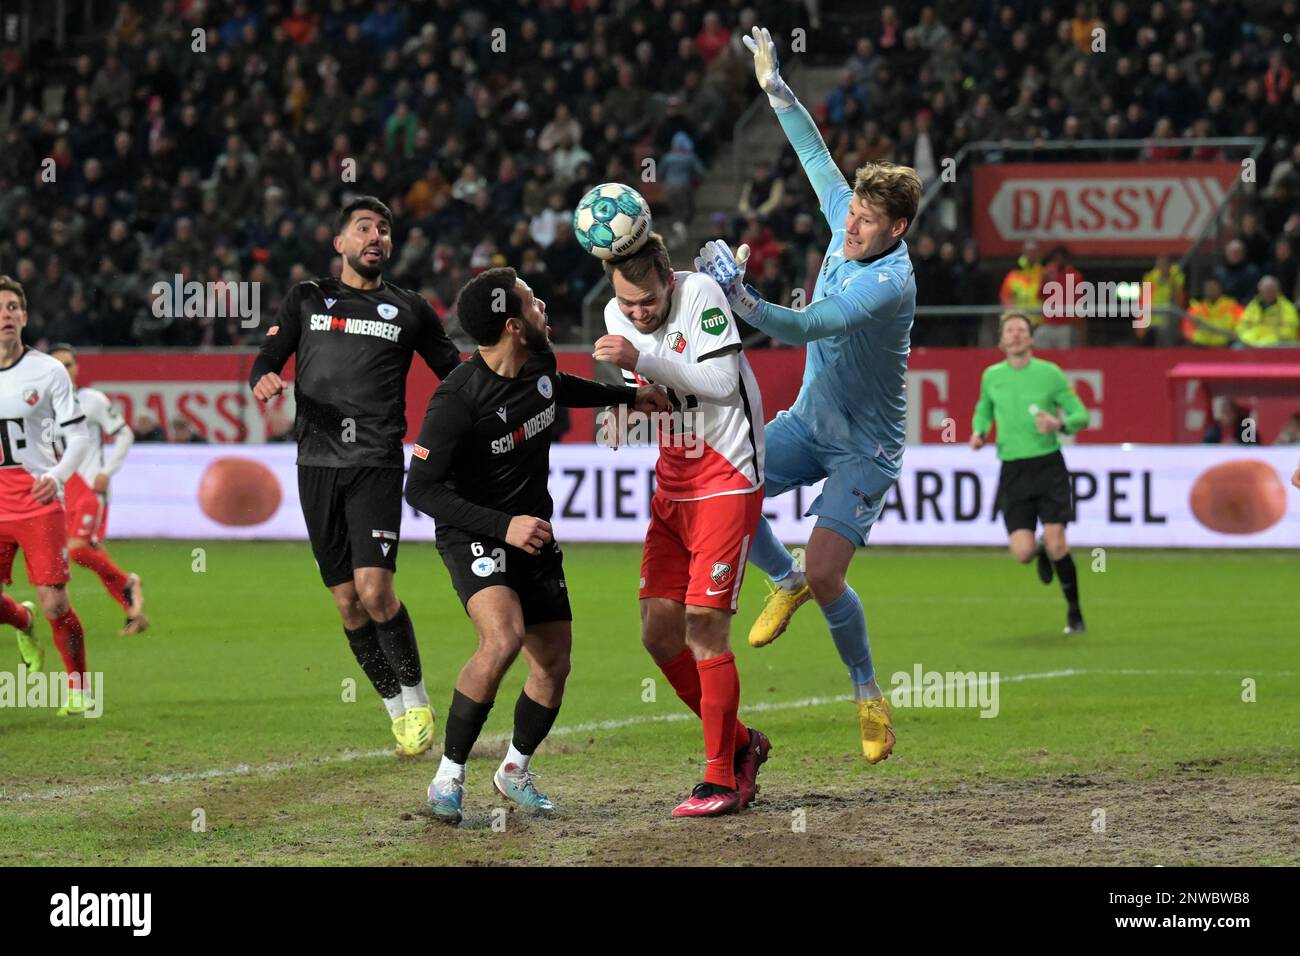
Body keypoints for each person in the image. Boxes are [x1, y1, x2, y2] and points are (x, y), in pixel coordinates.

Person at [696, 27, 921, 765]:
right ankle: (780, 577)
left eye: (865, 221)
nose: (849, 225)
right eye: (850, 212)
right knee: (732, 490)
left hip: (867, 446)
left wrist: (743, 300)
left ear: (899, 229)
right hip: (810, 423)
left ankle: (866, 689)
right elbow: (815, 156)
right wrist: (776, 87)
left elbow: (815, 322)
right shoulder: (846, 217)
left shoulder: (889, 284)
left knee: (832, 576)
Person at [406, 267, 667, 824]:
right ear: (512, 326)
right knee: (503, 639)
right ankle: (447, 778)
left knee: (553, 664)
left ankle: (514, 770)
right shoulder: (456, 399)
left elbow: (558, 390)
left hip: (534, 532)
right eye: (531, 300)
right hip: (476, 532)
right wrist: (503, 528)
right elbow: (420, 488)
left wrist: (627, 397)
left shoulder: (539, 362)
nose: (542, 304)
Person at [249, 196, 460, 757]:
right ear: (339, 243)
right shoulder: (307, 298)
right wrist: (265, 377)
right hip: (315, 464)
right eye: (364, 227)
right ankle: (395, 711)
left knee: (375, 590)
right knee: (346, 602)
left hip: (375, 463)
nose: (376, 236)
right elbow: (267, 357)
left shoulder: (410, 309)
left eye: (384, 230)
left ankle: (417, 701)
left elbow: (455, 375)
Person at [593, 233, 771, 817]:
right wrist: (631, 405)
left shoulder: (701, 295)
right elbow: (652, 396)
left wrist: (638, 359)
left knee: (704, 624)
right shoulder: (614, 311)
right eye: (629, 303)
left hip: (728, 472)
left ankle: (723, 778)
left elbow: (720, 384)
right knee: (657, 632)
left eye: (647, 301)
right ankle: (743, 744)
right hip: (674, 479)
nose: (637, 312)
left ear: (667, 276)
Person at [0, 276, 95, 714]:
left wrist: (57, 475)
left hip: (37, 497)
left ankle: (79, 687)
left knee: (56, 601)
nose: (6, 314)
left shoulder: (48, 371)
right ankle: (23, 620)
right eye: (0, 307)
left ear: (24, 316)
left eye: (13, 307)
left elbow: (78, 436)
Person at [970, 313, 1091, 634]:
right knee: (1022, 553)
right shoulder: (991, 376)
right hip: (1013, 470)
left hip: (1048, 466)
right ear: (1001, 340)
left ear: (1031, 339)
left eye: (1022, 330)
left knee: (1058, 544)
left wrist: (1060, 424)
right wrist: (979, 432)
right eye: (1010, 331)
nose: (1016, 335)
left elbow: (1081, 414)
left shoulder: (1049, 374)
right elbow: (984, 408)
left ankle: (1075, 614)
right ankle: (1039, 551)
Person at [48, 344, 147, 635]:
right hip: (65, 494)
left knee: (77, 551)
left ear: (77, 368)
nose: (64, 370)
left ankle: (129, 584)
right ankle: (133, 611)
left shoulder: (92, 401)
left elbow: (125, 433)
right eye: (58, 366)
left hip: (92, 492)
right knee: (93, 553)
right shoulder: (43, 408)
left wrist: (107, 471)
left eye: (69, 364)